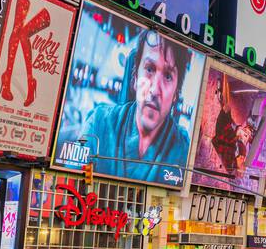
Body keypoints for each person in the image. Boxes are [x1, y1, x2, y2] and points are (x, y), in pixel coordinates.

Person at [76, 30, 193, 185]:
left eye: (168, 76)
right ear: (136, 77)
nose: (154, 90)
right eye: (149, 69)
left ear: (176, 94)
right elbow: (75, 185)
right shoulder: (99, 123)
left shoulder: (183, 149)